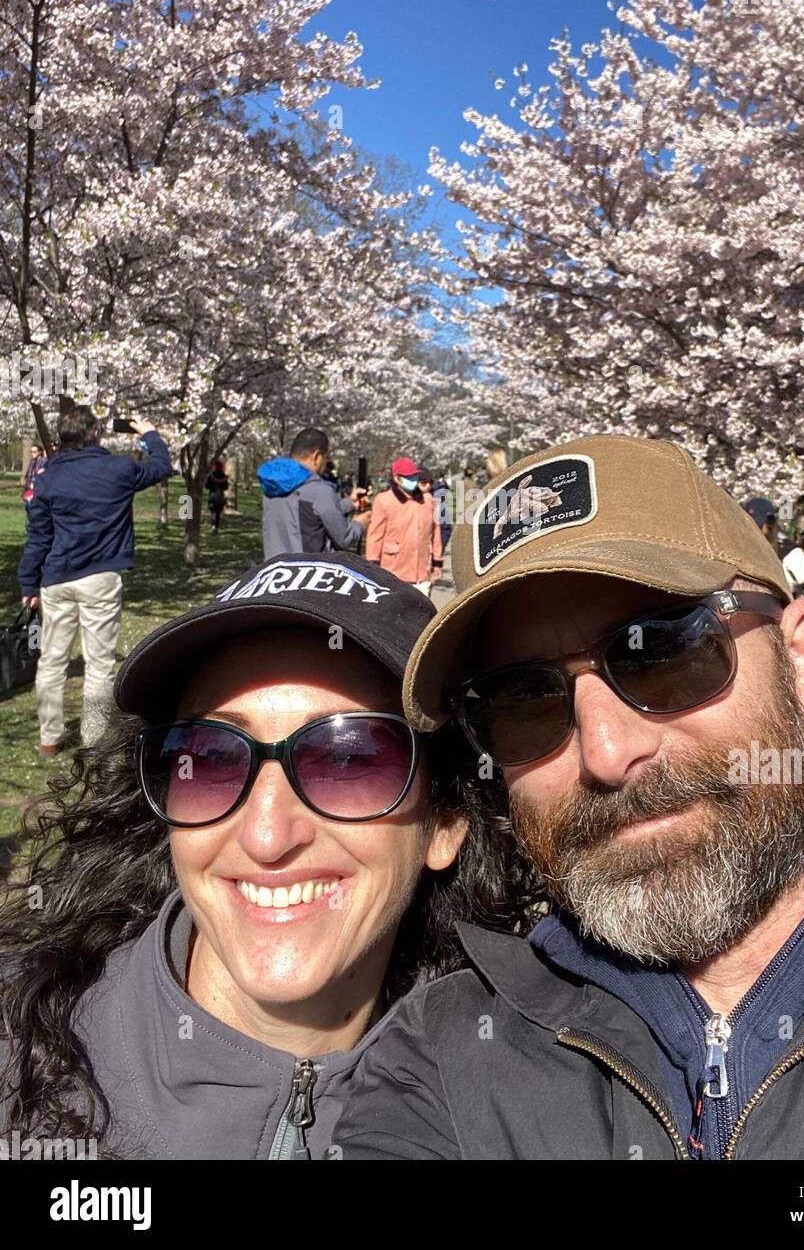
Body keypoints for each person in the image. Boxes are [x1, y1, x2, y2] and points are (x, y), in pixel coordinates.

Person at [333, 434, 804, 1160]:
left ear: (800, 661)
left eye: (664, 652)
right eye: (521, 700)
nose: (607, 753)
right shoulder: (441, 1062)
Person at [0, 552, 537, 1158]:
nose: (267, 836)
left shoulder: (514, 1111)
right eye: (212, 757)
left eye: (349, 759)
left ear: (444, 821)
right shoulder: (17, 1048)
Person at [17, 406, 173, 754]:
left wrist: (29, 584)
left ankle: (50, 736)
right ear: (97, 434)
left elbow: (38, 537)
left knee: (52, 660)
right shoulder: (119, 469)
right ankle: (95, 737)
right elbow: (162, 467)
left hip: (57, 578)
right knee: (99, 664)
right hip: (101, 578)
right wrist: (148, 433)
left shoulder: (48, 477)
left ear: (62, 438)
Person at [258, 428, 369, 559]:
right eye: (326, 457)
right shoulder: (319, 490)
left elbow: (309, 513)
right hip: (307, 568)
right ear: (316, 456)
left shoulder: (274, 485)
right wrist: (359, 524)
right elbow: (344, 537)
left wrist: (350, 502)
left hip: (275, 566)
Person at [366, 457, 443, 597]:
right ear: (397, 478)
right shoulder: (383, 500)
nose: (413, 479)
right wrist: (372, 567)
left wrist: (437, 562)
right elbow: (375, 536)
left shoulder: (428, 500)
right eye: (408, 477)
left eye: (414, 475)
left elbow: (435, 531)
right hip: (392, 573)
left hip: (422, 574)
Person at [20, 443, 47, 524]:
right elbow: (29, 475)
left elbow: (43, 475)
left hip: (38, 490)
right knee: (28, 509)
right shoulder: (32, 462)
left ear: (40, 452)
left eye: (34, 452)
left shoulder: (44, 462)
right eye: (31, 452)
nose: (32, 453)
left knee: (35, 511)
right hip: (29, 489)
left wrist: (35, 484)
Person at [205, 459, 230, 533]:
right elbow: (226, 487)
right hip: (220, 496)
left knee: (213, 511)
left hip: (212, 495)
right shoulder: (223, 476)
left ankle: (213, 525)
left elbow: (207, 486)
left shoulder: (211, 476)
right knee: (218, 512)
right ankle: (216, 527)